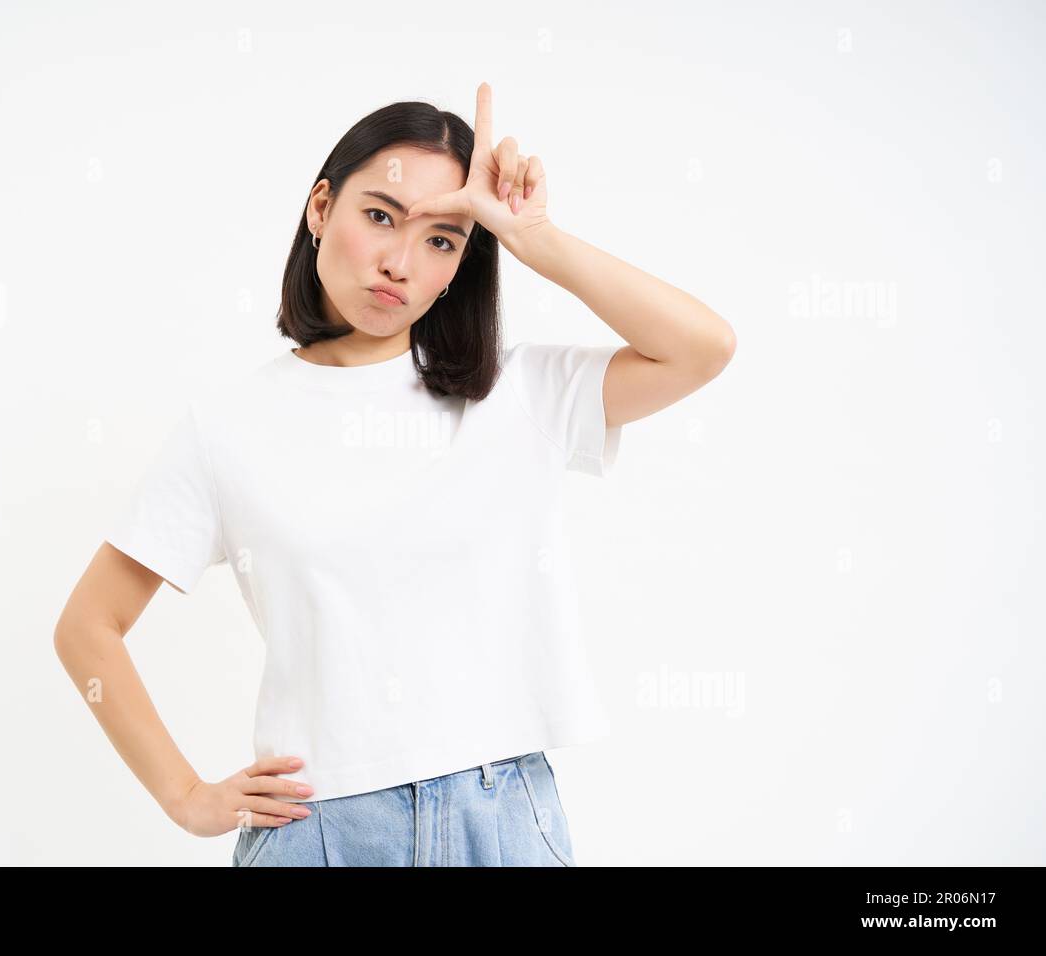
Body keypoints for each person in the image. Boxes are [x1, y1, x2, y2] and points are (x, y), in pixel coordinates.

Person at [54, 82, 736, 866]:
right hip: (318, 831)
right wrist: (186, 796)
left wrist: (535, 237)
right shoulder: (227, 429)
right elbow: (88, 626)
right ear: (320, 208)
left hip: (500, 821)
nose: (399, 263)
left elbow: (702, 348)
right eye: (380, 216)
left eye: (442, 240)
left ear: (460, 266)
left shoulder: (518, 395)